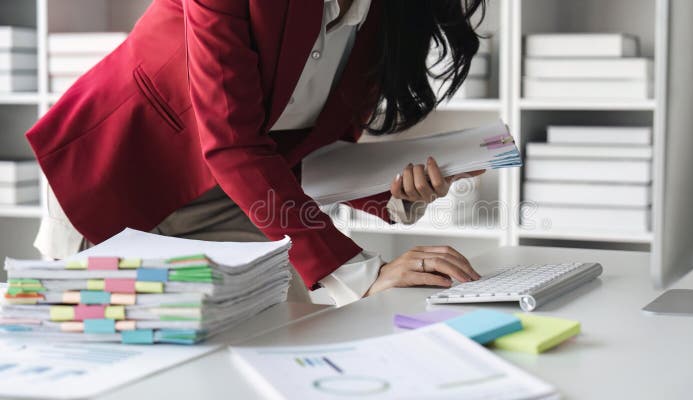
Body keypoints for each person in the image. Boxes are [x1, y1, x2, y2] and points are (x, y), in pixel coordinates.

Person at [25, 0, 487, 305]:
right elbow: (232, 141)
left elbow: (318, 149)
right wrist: (361, 272)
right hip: (120, 175)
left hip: (241, 204)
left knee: (250, 348)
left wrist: (390, 194)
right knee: (107, 359)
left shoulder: (384, 17)